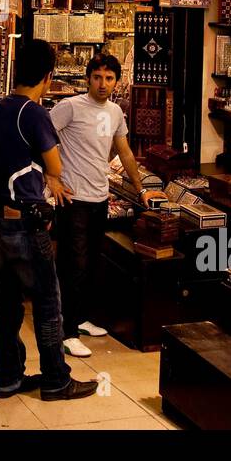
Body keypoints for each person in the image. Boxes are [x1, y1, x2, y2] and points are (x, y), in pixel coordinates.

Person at [0, 38, 96, 402]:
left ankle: (9, 377)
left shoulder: (1, 109)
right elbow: (55, 165)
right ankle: (55, 380)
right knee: (48, 302)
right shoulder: (33, 113)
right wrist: (52, 176)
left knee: (7, 301)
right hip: (26, 223)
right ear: (48, 76)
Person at [50, 53, 152, 358]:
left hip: (99, 197)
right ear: (88, 78)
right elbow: (40, 138)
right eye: (97, 77)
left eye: (109, 78)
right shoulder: (70, 107)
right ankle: (65, 332)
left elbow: (125, 153)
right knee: (73, 265)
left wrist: (140, 189)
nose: (103, 83)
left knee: (92, 263)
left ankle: (80, 320)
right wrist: (51, 178)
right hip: (73, 199)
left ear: (116, 81)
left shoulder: (116, 112)